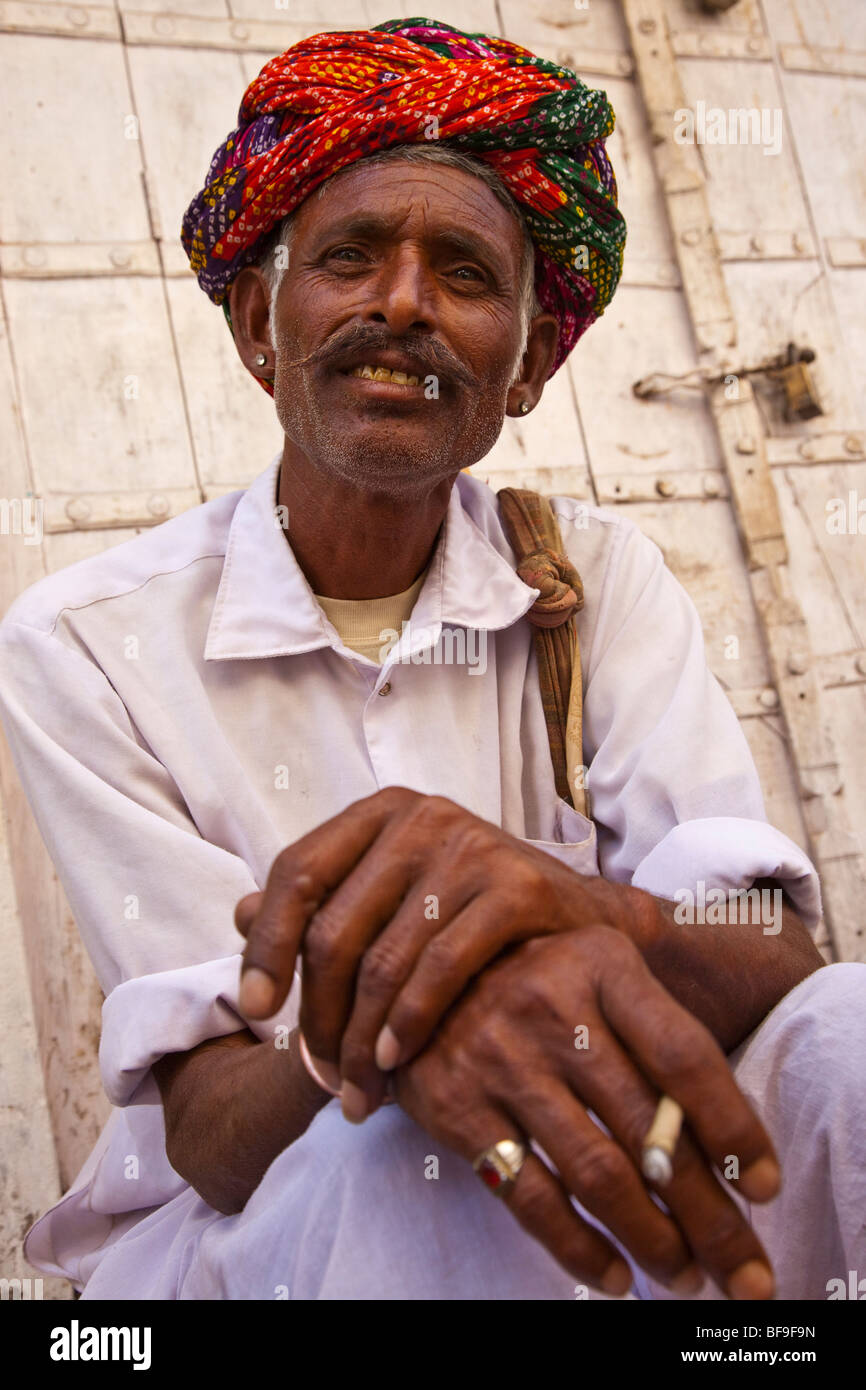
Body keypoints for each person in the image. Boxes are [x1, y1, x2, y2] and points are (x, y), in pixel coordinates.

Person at [0, 18, 861, 1303]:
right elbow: (214, 1129)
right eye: (348, 256)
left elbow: (773, 945)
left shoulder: (595, 581)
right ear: (255, 323)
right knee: (400, 1150)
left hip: (599, 1150)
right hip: (253, 1237)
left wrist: (572, 904)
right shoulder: (84, 645)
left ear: (523, 366)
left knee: (846, 1036)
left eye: (462, 271)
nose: (401, 302)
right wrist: (400, 1033)